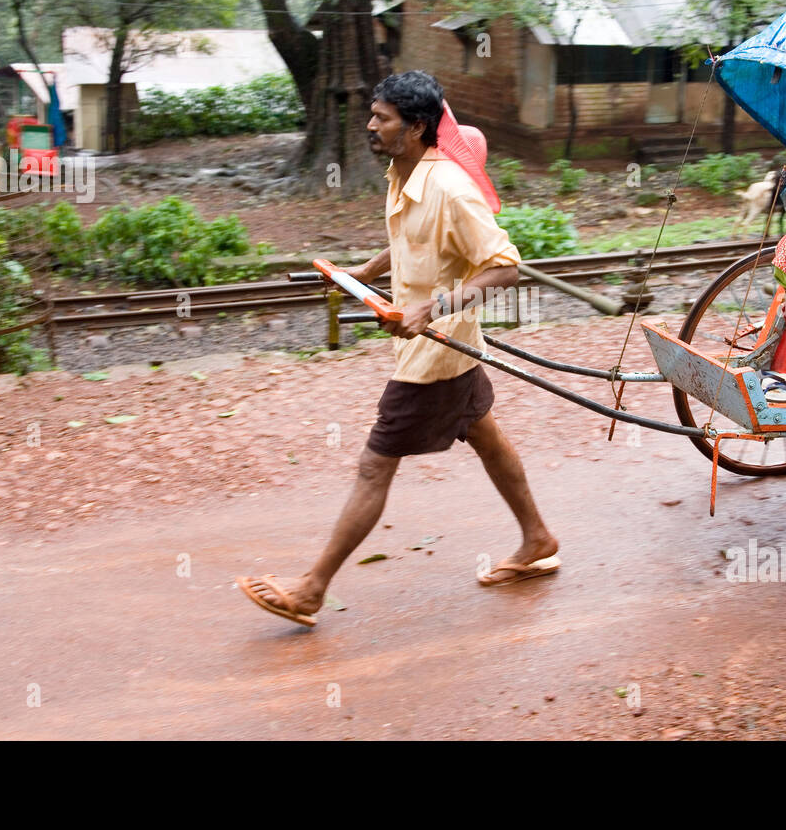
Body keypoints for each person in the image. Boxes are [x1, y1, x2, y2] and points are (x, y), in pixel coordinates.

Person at [236, 71, 560, 627]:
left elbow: (504, 267)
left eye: (381, 117)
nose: (369, 124)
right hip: (447, 348)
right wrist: (362, 272)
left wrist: (430, 308)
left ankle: (312, 589)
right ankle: (537, 537)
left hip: (434, 353)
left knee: (373, 466)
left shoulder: (450, 189)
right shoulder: (402, 169)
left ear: (415, 127)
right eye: (372, 114)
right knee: (484, 433)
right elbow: (411, 238)